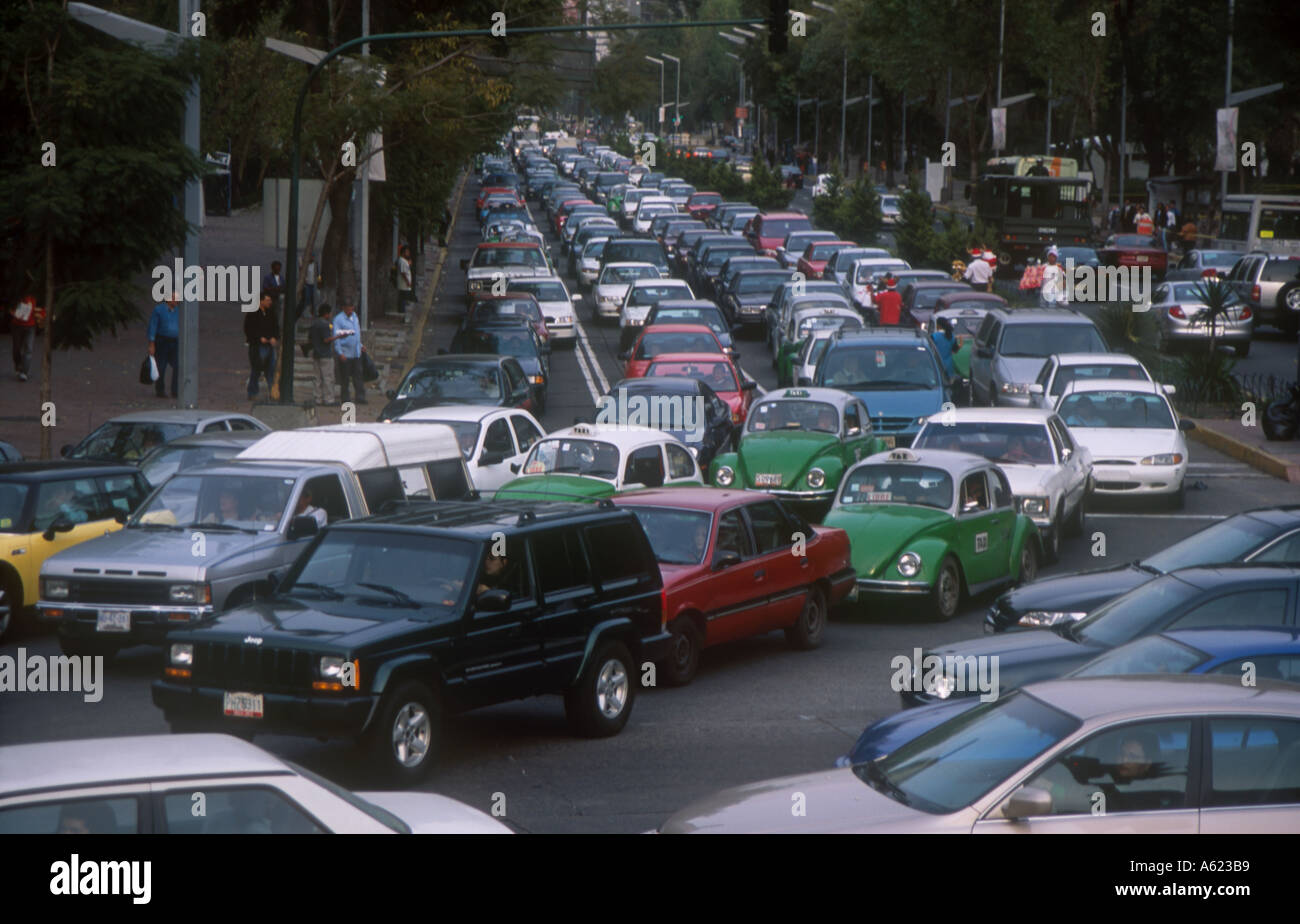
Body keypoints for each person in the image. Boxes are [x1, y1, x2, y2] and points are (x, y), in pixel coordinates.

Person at [243, 291, 280, 399]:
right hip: (257, 346)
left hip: (269, 345)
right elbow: (248, 329)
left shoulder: (271, 312)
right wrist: (259, 338)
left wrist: (274, 337)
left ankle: (273, 392)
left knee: (271, 369)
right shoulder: (252, 313)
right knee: (256, 369)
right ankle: (252, 392)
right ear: (261, 301)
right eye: (267, 300)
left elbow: (276, 327)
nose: (270, 302)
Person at [147, 291, 181, 398]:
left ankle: (175, 390)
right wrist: (151, 344)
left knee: (178, 365)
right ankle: (160, 390)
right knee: (161, 366)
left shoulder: (178, 311)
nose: (176, 301)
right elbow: (152, 327)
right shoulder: (159, 310)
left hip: (175, 341)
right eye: (174, 298)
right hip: (162, 340)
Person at [308, 303, 343, 406]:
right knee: (328, 378)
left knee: (317, 378)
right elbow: (326, 339)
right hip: (325, 354)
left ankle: (317, 398)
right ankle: (329, 399)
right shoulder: (325, 325)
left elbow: (310, 338)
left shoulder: (314, 324)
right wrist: (337, 337)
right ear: (326, 313)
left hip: (316, 354)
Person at [333, 300, 366, 405]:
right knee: (345, 377)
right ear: (344, 308)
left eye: (352, 308)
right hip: (345, 353)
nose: (350, 310)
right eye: (348, 308)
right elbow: (336, 338)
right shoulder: (338, 320)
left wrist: (360, 345)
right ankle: (345, 398)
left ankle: (360, 397)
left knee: (358, 376)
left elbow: (357, 334)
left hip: (356, 353)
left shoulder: (355, 317)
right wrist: (340, 352)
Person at [9, 294, 39, 382]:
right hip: (17, 325)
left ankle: (24, 372)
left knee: (29, 348)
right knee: (17, 348)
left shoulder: (36, 294)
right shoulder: (17, 293)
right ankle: (18, 365)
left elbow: (39, 308)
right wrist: (14, 313)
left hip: (31, 326)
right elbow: (10, 307)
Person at [396, 245, 414, 317]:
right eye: (407, 252)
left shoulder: (404, 261)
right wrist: (407, 281)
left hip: (405, 283)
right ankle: (402, 311)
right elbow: (403, 272)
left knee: (404, 297)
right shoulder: (402, 261)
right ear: (403, 252)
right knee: (403, 297)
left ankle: (402, 310)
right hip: (403, 283)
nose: (408, 253)